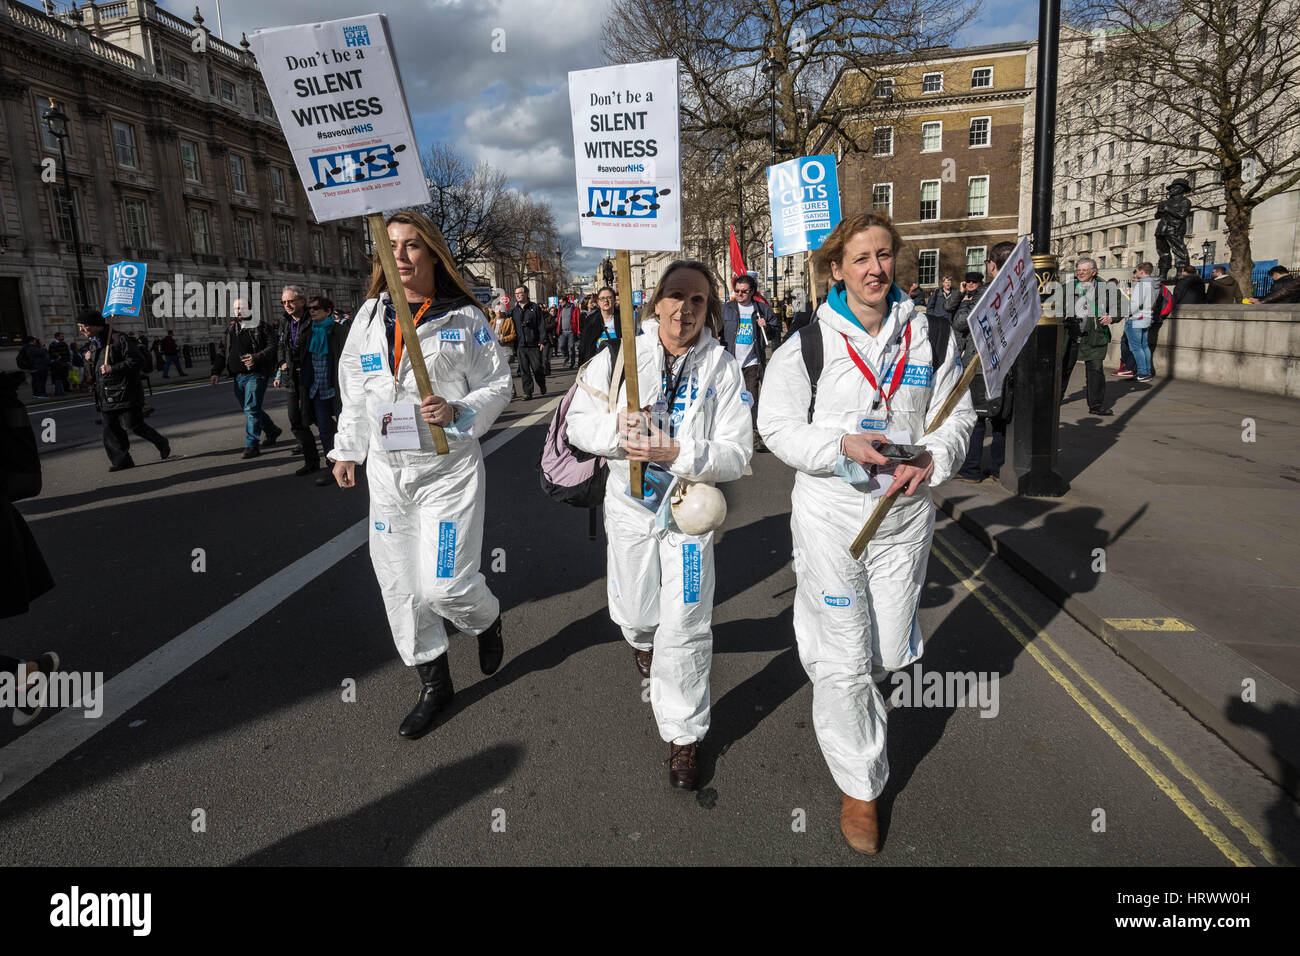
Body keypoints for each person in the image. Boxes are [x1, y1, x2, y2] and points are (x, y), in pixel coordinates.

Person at [757, 211, 975, 854]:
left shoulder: (930, 332)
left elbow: (954, 415)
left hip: (904, 520)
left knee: (885, 651)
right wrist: (839, 444)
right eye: (860, 258)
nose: (875, 268)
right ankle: (861, 788)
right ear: (837, 269)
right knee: (848, 659)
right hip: (831, 517)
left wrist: (936, 457)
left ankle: (830, 666)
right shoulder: (807, 345)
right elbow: (776, 428)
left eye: (884, 255)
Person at [565, 259, 753, 790]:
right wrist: (616, 432)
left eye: (698, 300)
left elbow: (739, 453)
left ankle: (684, 734)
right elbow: (579, 425)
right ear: (656, 302)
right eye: (676, 296)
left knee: (688, 622)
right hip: (630, 509)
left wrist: (679, 451)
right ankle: (644, 642)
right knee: (635, 612)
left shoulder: (723, 369)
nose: (685, 309)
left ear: (709, 309)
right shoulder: (620, 356)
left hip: (688, 514)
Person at [329, 210, 511, 740]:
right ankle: (434, 682)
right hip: (388, 474)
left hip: (446, 472)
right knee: (399, 586)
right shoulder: (366, 318)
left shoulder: (465, 319)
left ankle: (485, 618)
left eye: (411, 246)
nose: (400, 256)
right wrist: (346, 450)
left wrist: (458, 411)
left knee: (445, 585)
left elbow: (497, 387)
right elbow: (356, 394)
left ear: (432, 253)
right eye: (390, 246)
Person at [952, 242, 1016, 480]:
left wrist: (966, 303)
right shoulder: (1019, 292)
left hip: (979, 363)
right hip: (1008, 363)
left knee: (976, 418)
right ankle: (999, 468)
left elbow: (960, 322)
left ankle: (971, 469)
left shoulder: (983, 293)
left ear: (992, 264)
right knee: (1000, 418)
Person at [77, 311, 171, 471]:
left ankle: (161, 442)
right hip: (105, 394)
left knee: (134, 425)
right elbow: (97, 370)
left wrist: (113, 368)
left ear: (95, 325)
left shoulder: (119, 339)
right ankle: (121, 461)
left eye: (83, 326)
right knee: (111, 430)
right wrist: (89, 359)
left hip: (126, 392)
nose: (81, 330)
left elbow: (137, 361)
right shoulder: (94, 344)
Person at [209, 298, 283, 458]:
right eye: (236, 308)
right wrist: (215, 372)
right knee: (251, 409)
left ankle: (252, 445)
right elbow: (222, 352)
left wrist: (256, 357)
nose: (238, 311)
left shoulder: (262, 326)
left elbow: (273, 346)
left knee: (251, 409)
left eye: (242, 307)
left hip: (256, 374)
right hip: (238, 377)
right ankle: (272, 430)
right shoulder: (230, 329)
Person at [296, 295, 346, 486]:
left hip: (336, 388)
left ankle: (349, 459)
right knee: (324, 431)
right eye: (310, 308)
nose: (312, 311)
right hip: (316, 389)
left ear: (328, 312)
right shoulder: (308, 332)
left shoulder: (339, 330)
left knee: (344, 427)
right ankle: (331, 467)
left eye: (316, 308)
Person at [719, 273, 773, 446]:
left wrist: (768, 327)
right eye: (737, 291)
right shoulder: (726, 308)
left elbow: (775, 330)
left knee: (751, 399)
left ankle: (753, 434)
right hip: (730, 362)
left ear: (752, 292)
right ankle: (731, 432)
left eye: (744, 291)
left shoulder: (761, 309)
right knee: (730, 399)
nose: (740, 294)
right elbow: (716, 330)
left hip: (752, 363)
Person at [275, 285, 321, 475]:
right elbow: (280, 345)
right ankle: (312, 461)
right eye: (284, 302)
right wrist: (282, 363)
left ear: (302, 300)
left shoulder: (312, 321)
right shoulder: (285, 322)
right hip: (293, 379)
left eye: (291, 301)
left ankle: (342, 452)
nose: (287, 305)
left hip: (312, 377)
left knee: (319, 419)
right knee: (296, 421)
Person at [1070, 261, 1117, 415]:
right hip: (1071, 337)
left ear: (1094, 272)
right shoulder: (1068, 288)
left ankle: (1096, 405)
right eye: (1078, 270)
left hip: (1095, 336)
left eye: (1084, 270)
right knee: (1063, 371)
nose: (1080, 272)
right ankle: (1052, 402)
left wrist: (1112, 317)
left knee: (1095, 371)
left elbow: (1120, 306)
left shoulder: (1106, 289)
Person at [511, 285, 548, 399]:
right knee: (524, 370)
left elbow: (541, 325)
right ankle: (528, 392)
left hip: (534, 344)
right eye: (516, 293)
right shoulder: (514, 310)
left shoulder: (534, 307)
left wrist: (542, 341)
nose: (517, 295)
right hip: (521, 345)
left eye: (520, 293)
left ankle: (542, 384)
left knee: (537, 368)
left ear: (526, 294)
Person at [1127, 262, 1159, 381]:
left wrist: (1127, 314)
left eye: (1136, 271)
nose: (1136, 273)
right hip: (1147, 317)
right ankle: (1147, 372)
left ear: (1141, 271)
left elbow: (1136, 303)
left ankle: (1142, 372)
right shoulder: (1154, 284)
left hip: (1137, 317)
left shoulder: (1142, 285)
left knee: (1136, 347)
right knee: (1144, 346)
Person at [578, 286, 621, 365]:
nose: (605, 301)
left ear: (614, 300)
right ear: (598, 302)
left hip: (618, 363)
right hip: (597, 365)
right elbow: (584, 345)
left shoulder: (623, 318)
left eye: (609, 297)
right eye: (602, 298)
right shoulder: (591, 320)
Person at [556, 295, 581, 369]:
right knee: (561, 346)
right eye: (559, 303)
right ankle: (566, 357)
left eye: (561, 302)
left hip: (571, 332)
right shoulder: (560, 308)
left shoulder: (573, 308)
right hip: (562, 332)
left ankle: (572, 363)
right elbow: (558, 318)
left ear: (565, 301)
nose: (560, 304)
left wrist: (578, 331)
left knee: (572, 347)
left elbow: (577, 320)